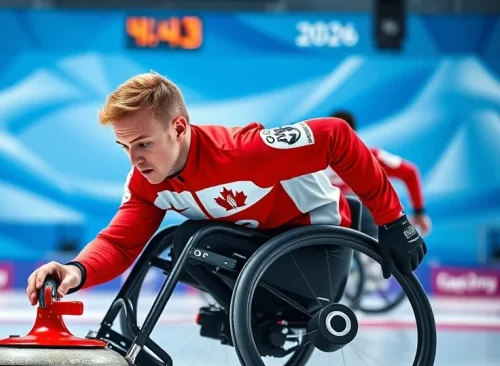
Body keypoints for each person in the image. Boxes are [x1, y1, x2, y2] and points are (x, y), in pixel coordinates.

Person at [26, 72, 426, 322]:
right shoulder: (147, 180)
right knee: (179, 244)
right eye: (124, 147)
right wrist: (74, 271)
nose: (134, 159)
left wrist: (394, 222)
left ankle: (256, 314)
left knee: (189, 241)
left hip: (317, 251)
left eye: (143, 144)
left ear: (179, 127)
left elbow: (337, 136)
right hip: (265, 247)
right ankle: (253, 317)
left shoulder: (244, 152)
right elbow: (119, 242)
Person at [328, 110, 432, 238]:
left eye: (343, 134)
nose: (339, 142)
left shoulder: (371, 157)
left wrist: (419, 212)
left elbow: (410, 172)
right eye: (336, 134)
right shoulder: (314, 162)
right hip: (333, 230)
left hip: (367, 234)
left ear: (353, 135)